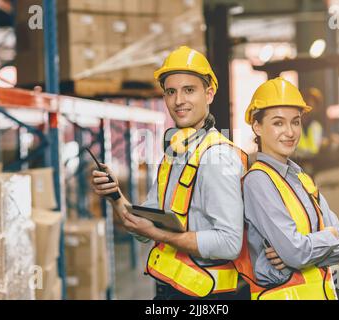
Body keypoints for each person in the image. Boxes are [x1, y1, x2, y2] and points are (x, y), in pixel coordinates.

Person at [91, 46, 248, 300]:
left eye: (189, 90)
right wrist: (116, 196)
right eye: (171, 92)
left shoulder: (218, 158)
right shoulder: (175, 153)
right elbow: (144, 228)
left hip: (208, 297)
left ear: (209, 94)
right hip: (171, 290)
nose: (178, 101)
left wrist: (158, 234)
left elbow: (229, 244)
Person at [235, 77, 339, 300]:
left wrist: (301, 252)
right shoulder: (258, 181)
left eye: (296, 122)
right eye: (278, 123)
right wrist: (329, 235)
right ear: (257, 127)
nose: (290, 132)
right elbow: (296, 253)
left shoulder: (302, 179)